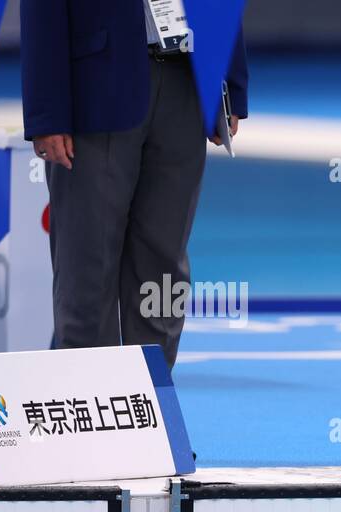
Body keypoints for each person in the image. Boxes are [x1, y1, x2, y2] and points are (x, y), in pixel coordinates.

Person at [21, 0, 248, 370]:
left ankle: (154, 396)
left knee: (165, 266)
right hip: (94, 91)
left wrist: (230, 79)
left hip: (186, 82)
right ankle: (90, 399)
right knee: (88, 266)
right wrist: (47, 110)